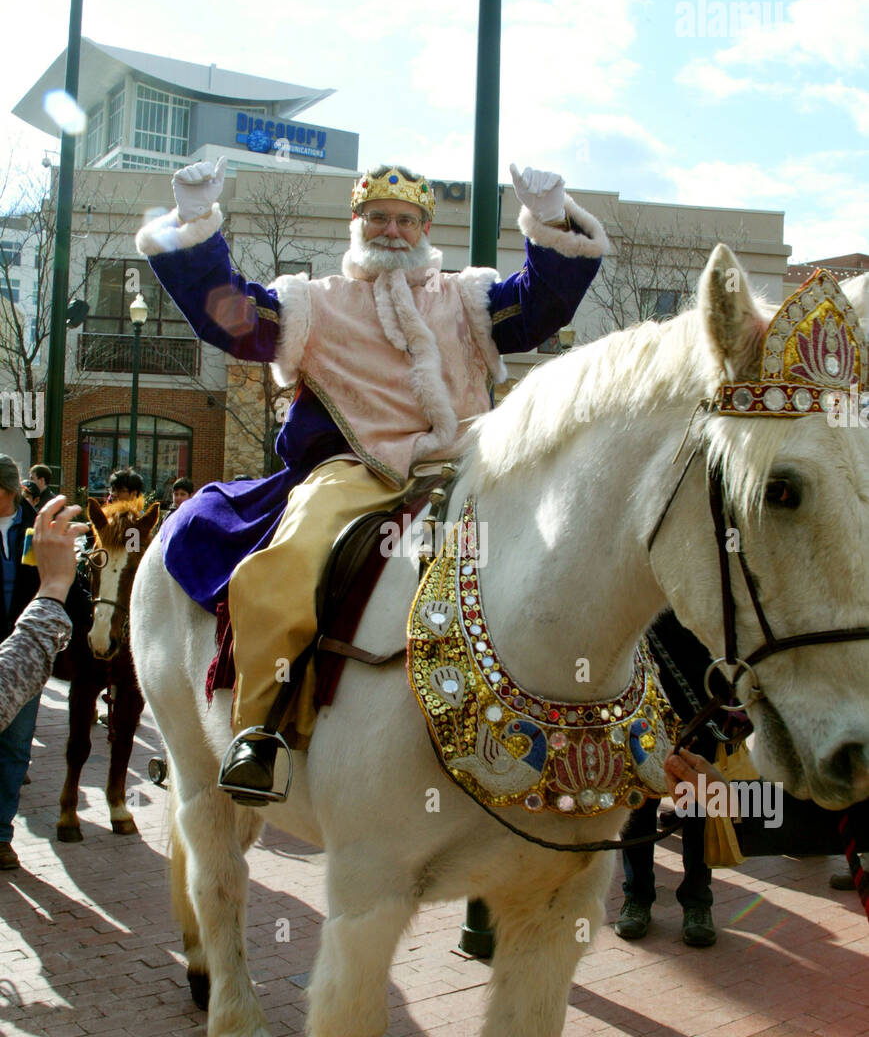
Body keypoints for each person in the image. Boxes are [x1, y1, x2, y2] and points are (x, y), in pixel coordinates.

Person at [136, 158, 609, 802]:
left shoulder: (468, 300)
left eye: (406, 219)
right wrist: (196, 226)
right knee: (288, 565)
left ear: (424, 228)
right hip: (355, 472)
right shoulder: (314, 302)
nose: (393, 230)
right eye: (380, 218)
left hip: (471, 468)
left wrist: (552, 222)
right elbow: (235, 320)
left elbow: (540, 306)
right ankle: (258, 730)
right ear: (358, 224)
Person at [615, 610, 726, 948]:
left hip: (696, 713)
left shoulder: (697, 584)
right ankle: (637, 897)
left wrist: (723, 711)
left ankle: (697, 902)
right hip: (636, 713)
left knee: (696, 814)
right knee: (637, 810)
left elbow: (720, 649)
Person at [0, 458, 85, 871]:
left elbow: (69, 594)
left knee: (16, 749)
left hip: (25, 657)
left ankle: (1, 834)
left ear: (6, 492)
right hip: (22, 652)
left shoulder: (38, 531)